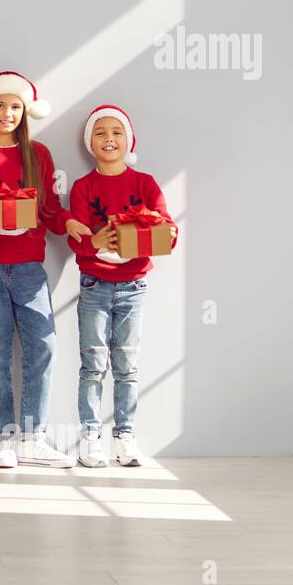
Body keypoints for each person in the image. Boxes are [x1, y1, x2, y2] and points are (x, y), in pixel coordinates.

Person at [0, 71, 90, 469]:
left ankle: (32, 436)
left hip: (28, 266)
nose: (7, 113)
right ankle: (4, 438)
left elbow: (48, 209)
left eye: (14, 107)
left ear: (24, 112)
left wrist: (69, 223)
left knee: (43, 346)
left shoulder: (38, 155)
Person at [68, 104, 177, 467]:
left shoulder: (143, 183)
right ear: (90, 144)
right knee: (93, 363)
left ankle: (125, 436)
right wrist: (97, 240)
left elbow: (167, 232)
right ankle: (90, 436)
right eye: (100, 132)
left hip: (133, 286)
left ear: (128, 139)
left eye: (116, 132)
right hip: (94, 285)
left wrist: (159, 233)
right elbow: (78, 241)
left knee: (127, 365)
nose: (109, 138)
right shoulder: (83, 188)